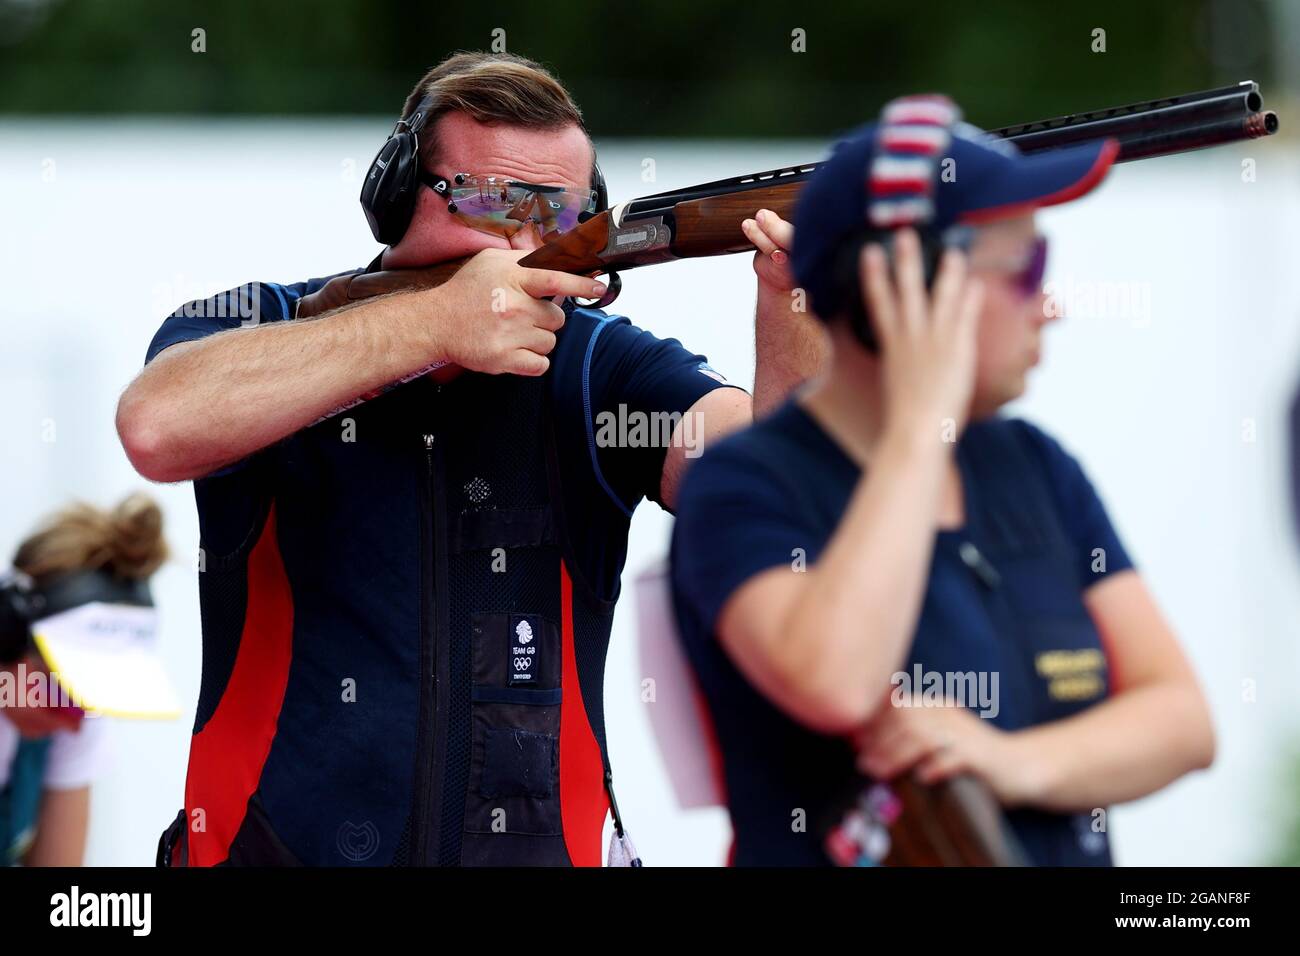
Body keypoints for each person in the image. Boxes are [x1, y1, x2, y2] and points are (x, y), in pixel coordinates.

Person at [115, 51, 816, 866]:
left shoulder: (599, 367)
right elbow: (156, 427)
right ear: (396, 189)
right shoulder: (266, 321)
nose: (525, 241)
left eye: (559, 214)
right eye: (490, 203)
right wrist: (434, 325)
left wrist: (793, 306)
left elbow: (781, 502)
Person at [670, 97, 1216, 866]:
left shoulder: (1034, 465)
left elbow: (1183, 721)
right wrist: (921, 417)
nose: (1048, 304)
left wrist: (1010, 760)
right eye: (1025, 268)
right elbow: (831, 680)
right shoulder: (744, 487)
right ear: (907, 285)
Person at [1, 493, 171, 865]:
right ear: (8, 632)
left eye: (89, 705)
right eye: (63, 693)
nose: (75, 723)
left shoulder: (68, 722)